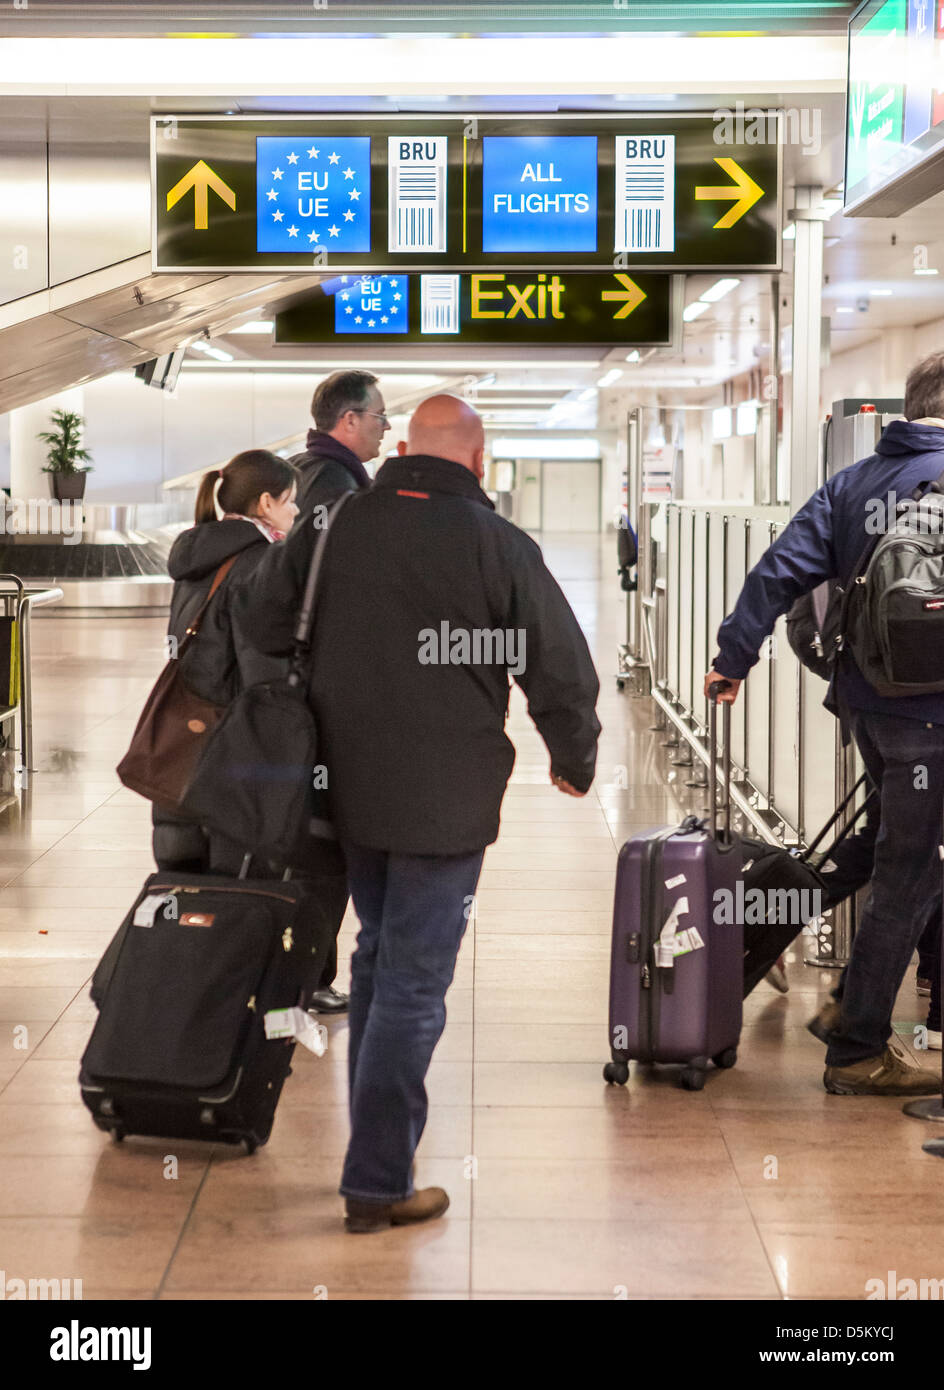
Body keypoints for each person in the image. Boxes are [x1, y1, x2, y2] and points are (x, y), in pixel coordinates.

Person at [235, 393, 601, 1231]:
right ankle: (376, 1183)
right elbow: (559, 664)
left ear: (400, 447)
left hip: (344, 788)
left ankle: (381, 1160)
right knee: (411, 982)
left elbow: (258, 615)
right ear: (478, 461)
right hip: (447, 798)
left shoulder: (332, 526)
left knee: (377, 958)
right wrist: (573, 757)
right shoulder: (498, 543)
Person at [704, 350, 944, 1096]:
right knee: (912, 872)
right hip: (932, 718)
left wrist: (732, 658)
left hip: (868, 707)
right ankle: (859, 1045)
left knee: (874, 848)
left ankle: (741, 931)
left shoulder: (855, 482)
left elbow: (778, 571)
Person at [285, 368, 390, 1011]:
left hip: (311, 691)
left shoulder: (310, 473)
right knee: (322, 846)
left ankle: (301, 976)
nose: (385, 428)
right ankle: (305, 980)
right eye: (380, 417)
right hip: (323, 697)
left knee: (315, 841)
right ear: (348, 421)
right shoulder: (334, 483)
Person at [152, 449, 299, 876]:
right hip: (234, 748)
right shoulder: (263, 562)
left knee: (184, 887)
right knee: (234, 895)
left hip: (185, 737)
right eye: (290, 500)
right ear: (266, 503)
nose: (297, 510)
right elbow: (261, 667)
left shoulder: (197, 556)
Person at [290, 368, 391, 520]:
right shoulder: (333, 482)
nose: (387, 425)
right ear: (351, 420)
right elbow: (320, 536)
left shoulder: (292, 466)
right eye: (380, 416)